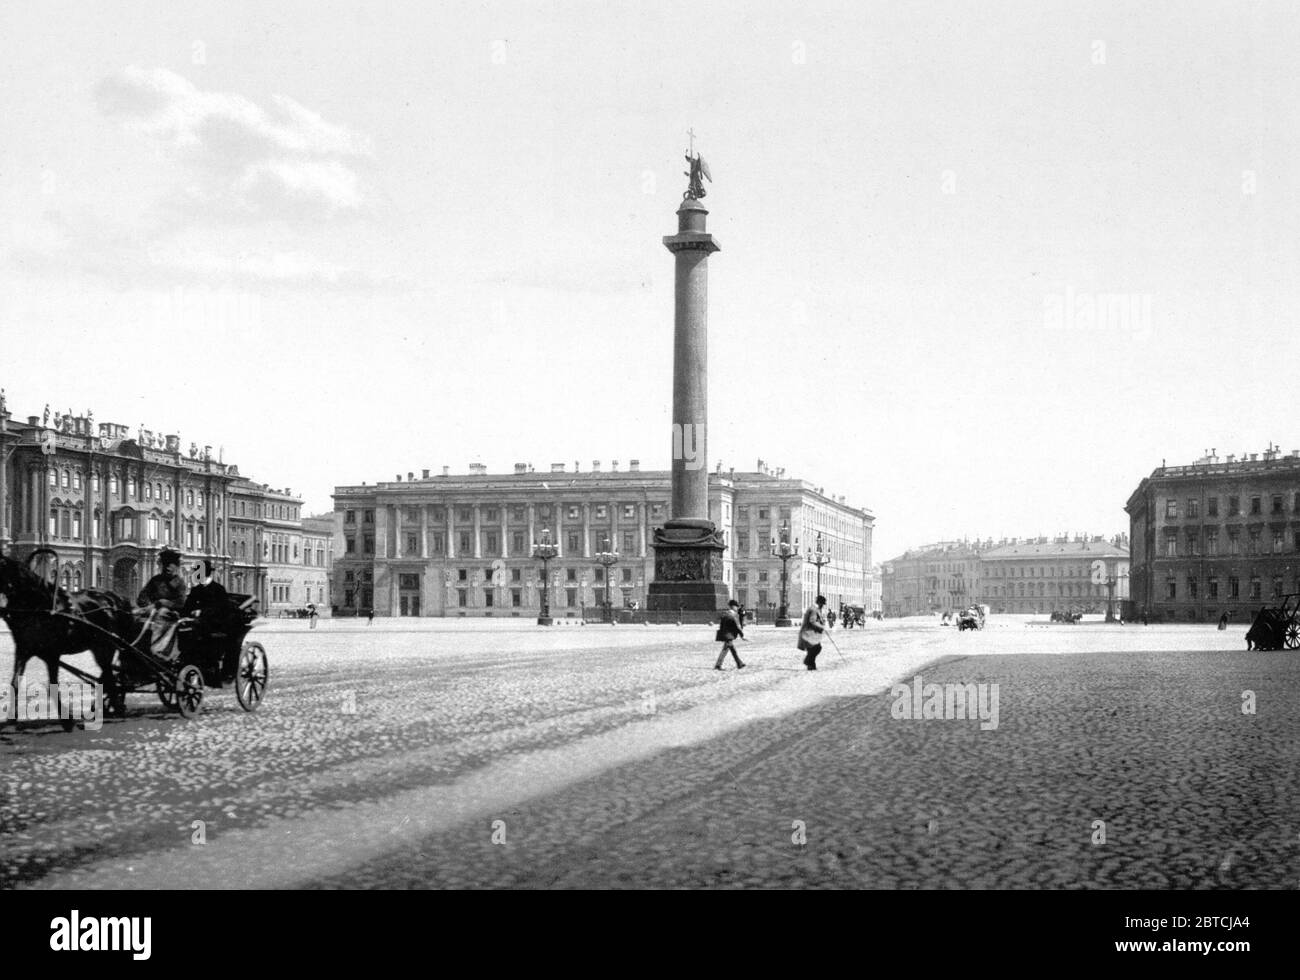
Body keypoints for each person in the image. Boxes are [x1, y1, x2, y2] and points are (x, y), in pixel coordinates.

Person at [136, 549, 188, 659]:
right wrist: (148, 605)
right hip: (152, 611)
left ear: (176, 567)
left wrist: (163, 603)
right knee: (135, 616)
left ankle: (156, 650)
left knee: (161, 614)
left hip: (171, 615)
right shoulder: (156, 580)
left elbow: (181, 603)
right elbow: (142, 596)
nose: (167, 568)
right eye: (165, 564)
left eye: (170, 565)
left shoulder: (179, 583)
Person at [714, 600, 746, 670]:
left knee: (732, 649)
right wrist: (742, 635)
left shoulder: (725, 614)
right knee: (725, 650)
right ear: (733, 606)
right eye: (736, 606)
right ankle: (718, 665)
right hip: (729, 635)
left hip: (725, 634)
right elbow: (738, 626)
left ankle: (739, 663)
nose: (737, 608)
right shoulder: (734, 615)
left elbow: (721, 625)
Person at [798, 595, 828, 670]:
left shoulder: (814, 609)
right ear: (819, 603)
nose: (822, 606)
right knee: (816, 648)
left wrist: (821, 623)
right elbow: (812, 621)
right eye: (822, 604)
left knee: (813, 649)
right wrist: (821, 627)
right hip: (808, 633)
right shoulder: (814, 610)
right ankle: (808, 662)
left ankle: (811, 665)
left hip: (810, 633)